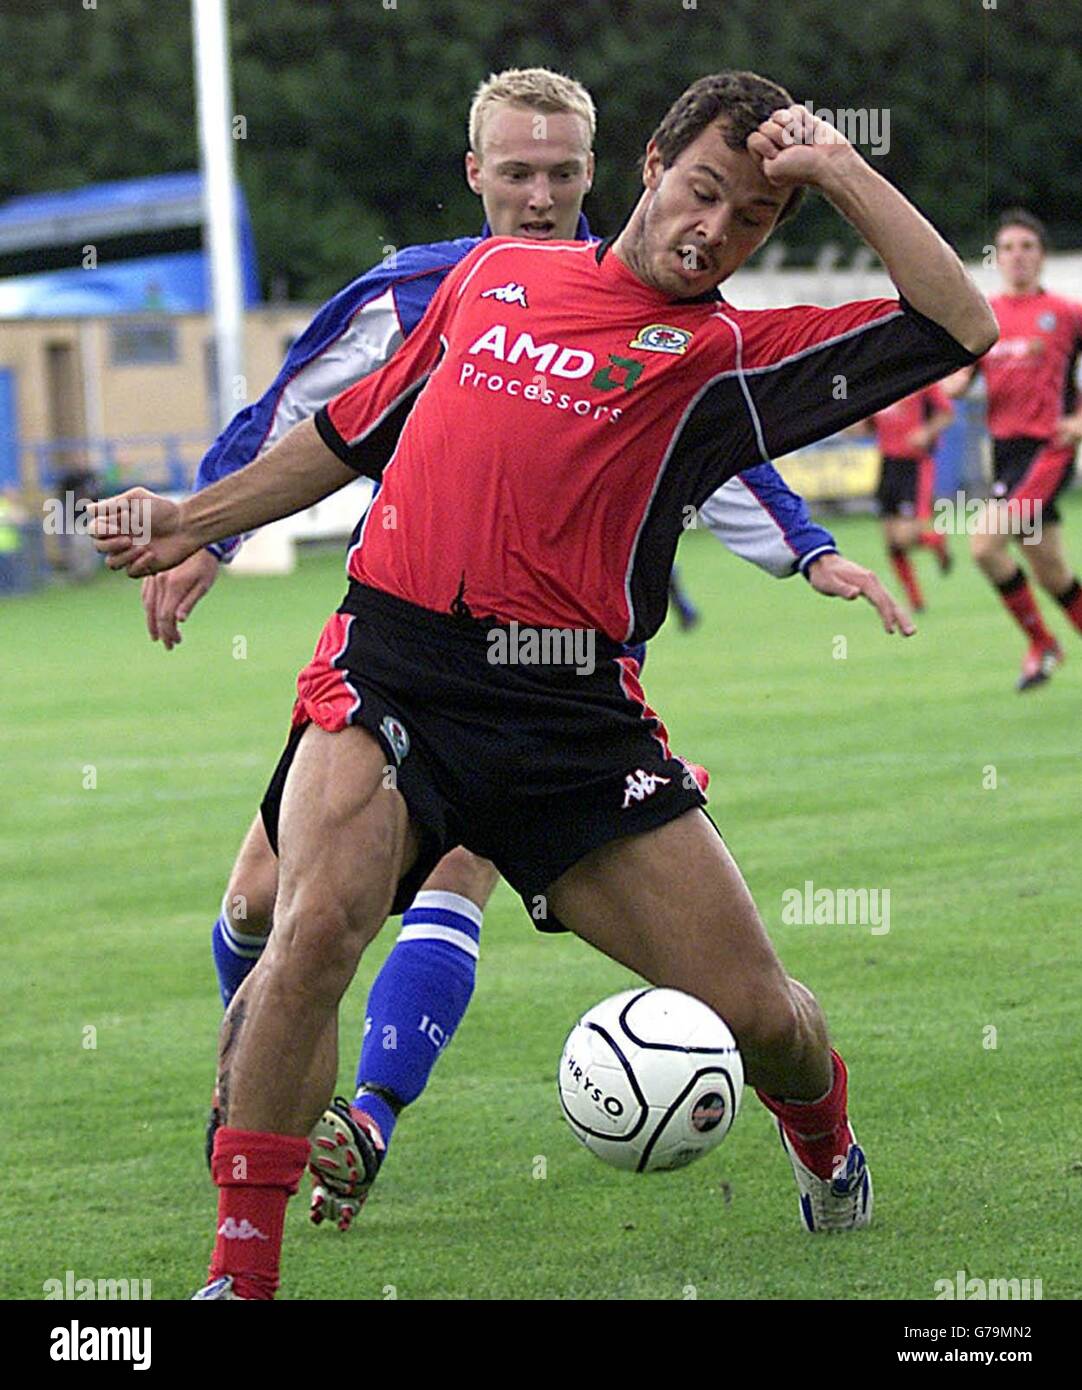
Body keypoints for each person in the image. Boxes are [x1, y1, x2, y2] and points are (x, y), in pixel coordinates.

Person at [92, 70, 995, 1301]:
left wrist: (836, 169)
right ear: (648, 167)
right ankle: (238, 1277)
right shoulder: (486, 279)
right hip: (396, 664)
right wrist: (190, 518)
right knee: (306, 932)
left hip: (573, 718)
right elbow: (348, 432)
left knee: (761, 1015)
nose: (711, 232)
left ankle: (824, 1147)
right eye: (700, 193)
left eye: (747, 222)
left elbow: (958, 326)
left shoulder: (726, 355)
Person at [946, 209, 1082, 690]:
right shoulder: (987, 315)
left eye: (1027, 246)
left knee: (984, 545)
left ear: (1042, 256)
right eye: (1008, 248)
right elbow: (959, 381)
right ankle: (1046, 646)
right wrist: (954, 382)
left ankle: (1043, 645)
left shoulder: (1066, 313)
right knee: (1051, 572)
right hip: (1004, 454)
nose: (1018, 256)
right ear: (997, 258)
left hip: (1049, 449)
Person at [865, 384, 954, 611]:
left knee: (904, 537)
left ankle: (936, 542)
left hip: (914, 464)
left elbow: (946, 414)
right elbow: (867, 426)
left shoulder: (920, 378)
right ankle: (915, 601)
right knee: (891, 541)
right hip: (888, 464)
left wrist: (926, 432)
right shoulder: (874, 384)